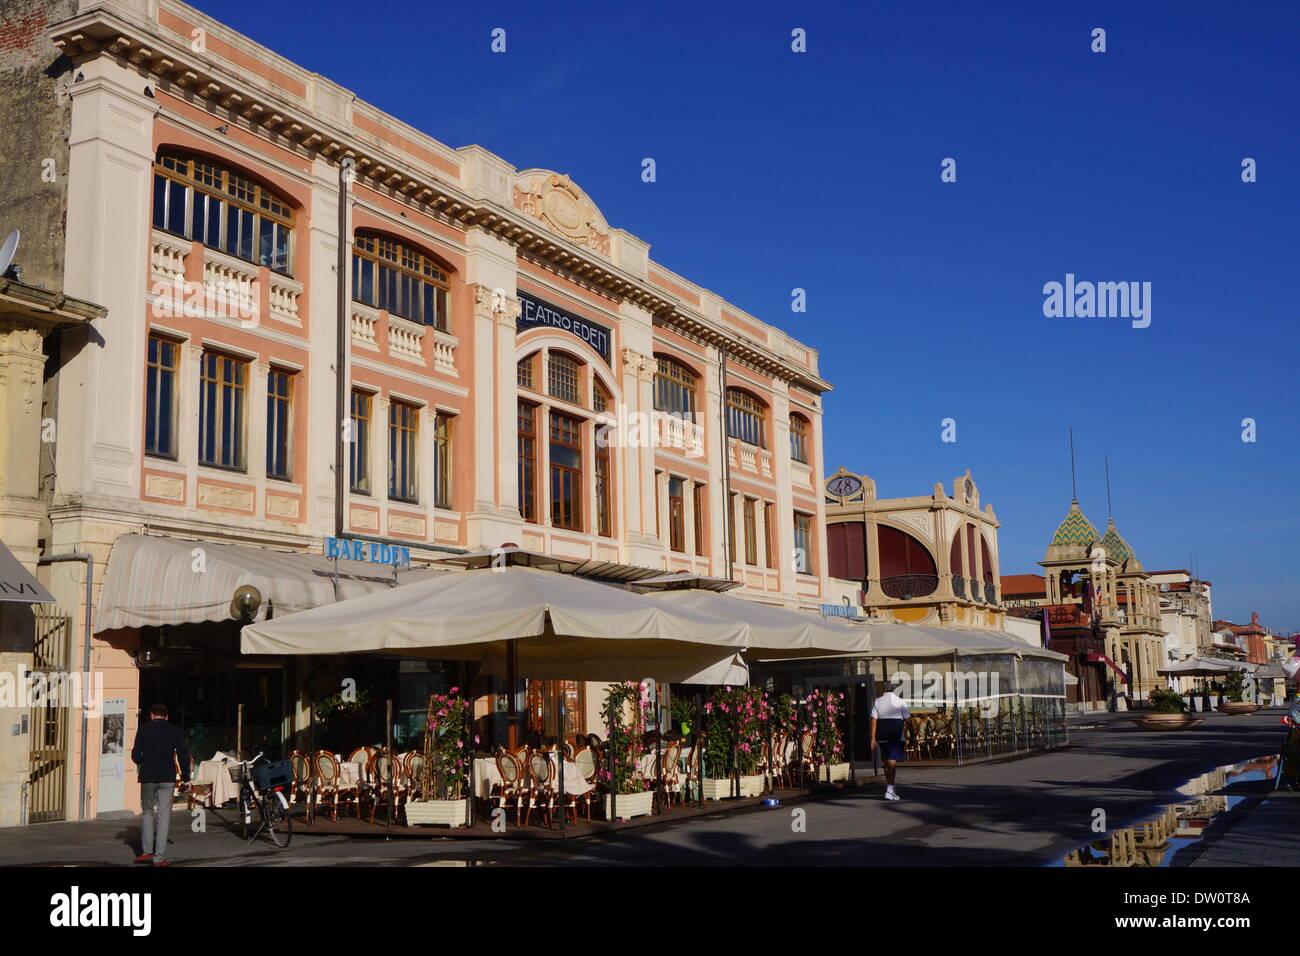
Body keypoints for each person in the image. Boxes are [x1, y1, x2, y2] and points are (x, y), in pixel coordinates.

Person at [130, 704, 190, 867]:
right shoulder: (175, 731)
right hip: (167, 777)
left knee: (148, 812)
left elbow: (135, 756)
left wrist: (145, 761)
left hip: (147, 776)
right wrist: (186, 778)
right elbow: (183, 756)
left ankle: (146, 852)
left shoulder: (143, 730)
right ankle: (159, 857)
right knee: (164, 817)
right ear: (167, 716)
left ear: (151, 715)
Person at [870, 681, 910, 801]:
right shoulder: (900, 701)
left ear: (884, 689)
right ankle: (889, 789)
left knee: (887, 762)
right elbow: (908, 720)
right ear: (893, 690)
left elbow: (873, 721)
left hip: (882, 734)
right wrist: (912, 734)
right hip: (896, 733)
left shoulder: (877, 701)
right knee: (891, 762)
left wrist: (873, 738)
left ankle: (890, 788)